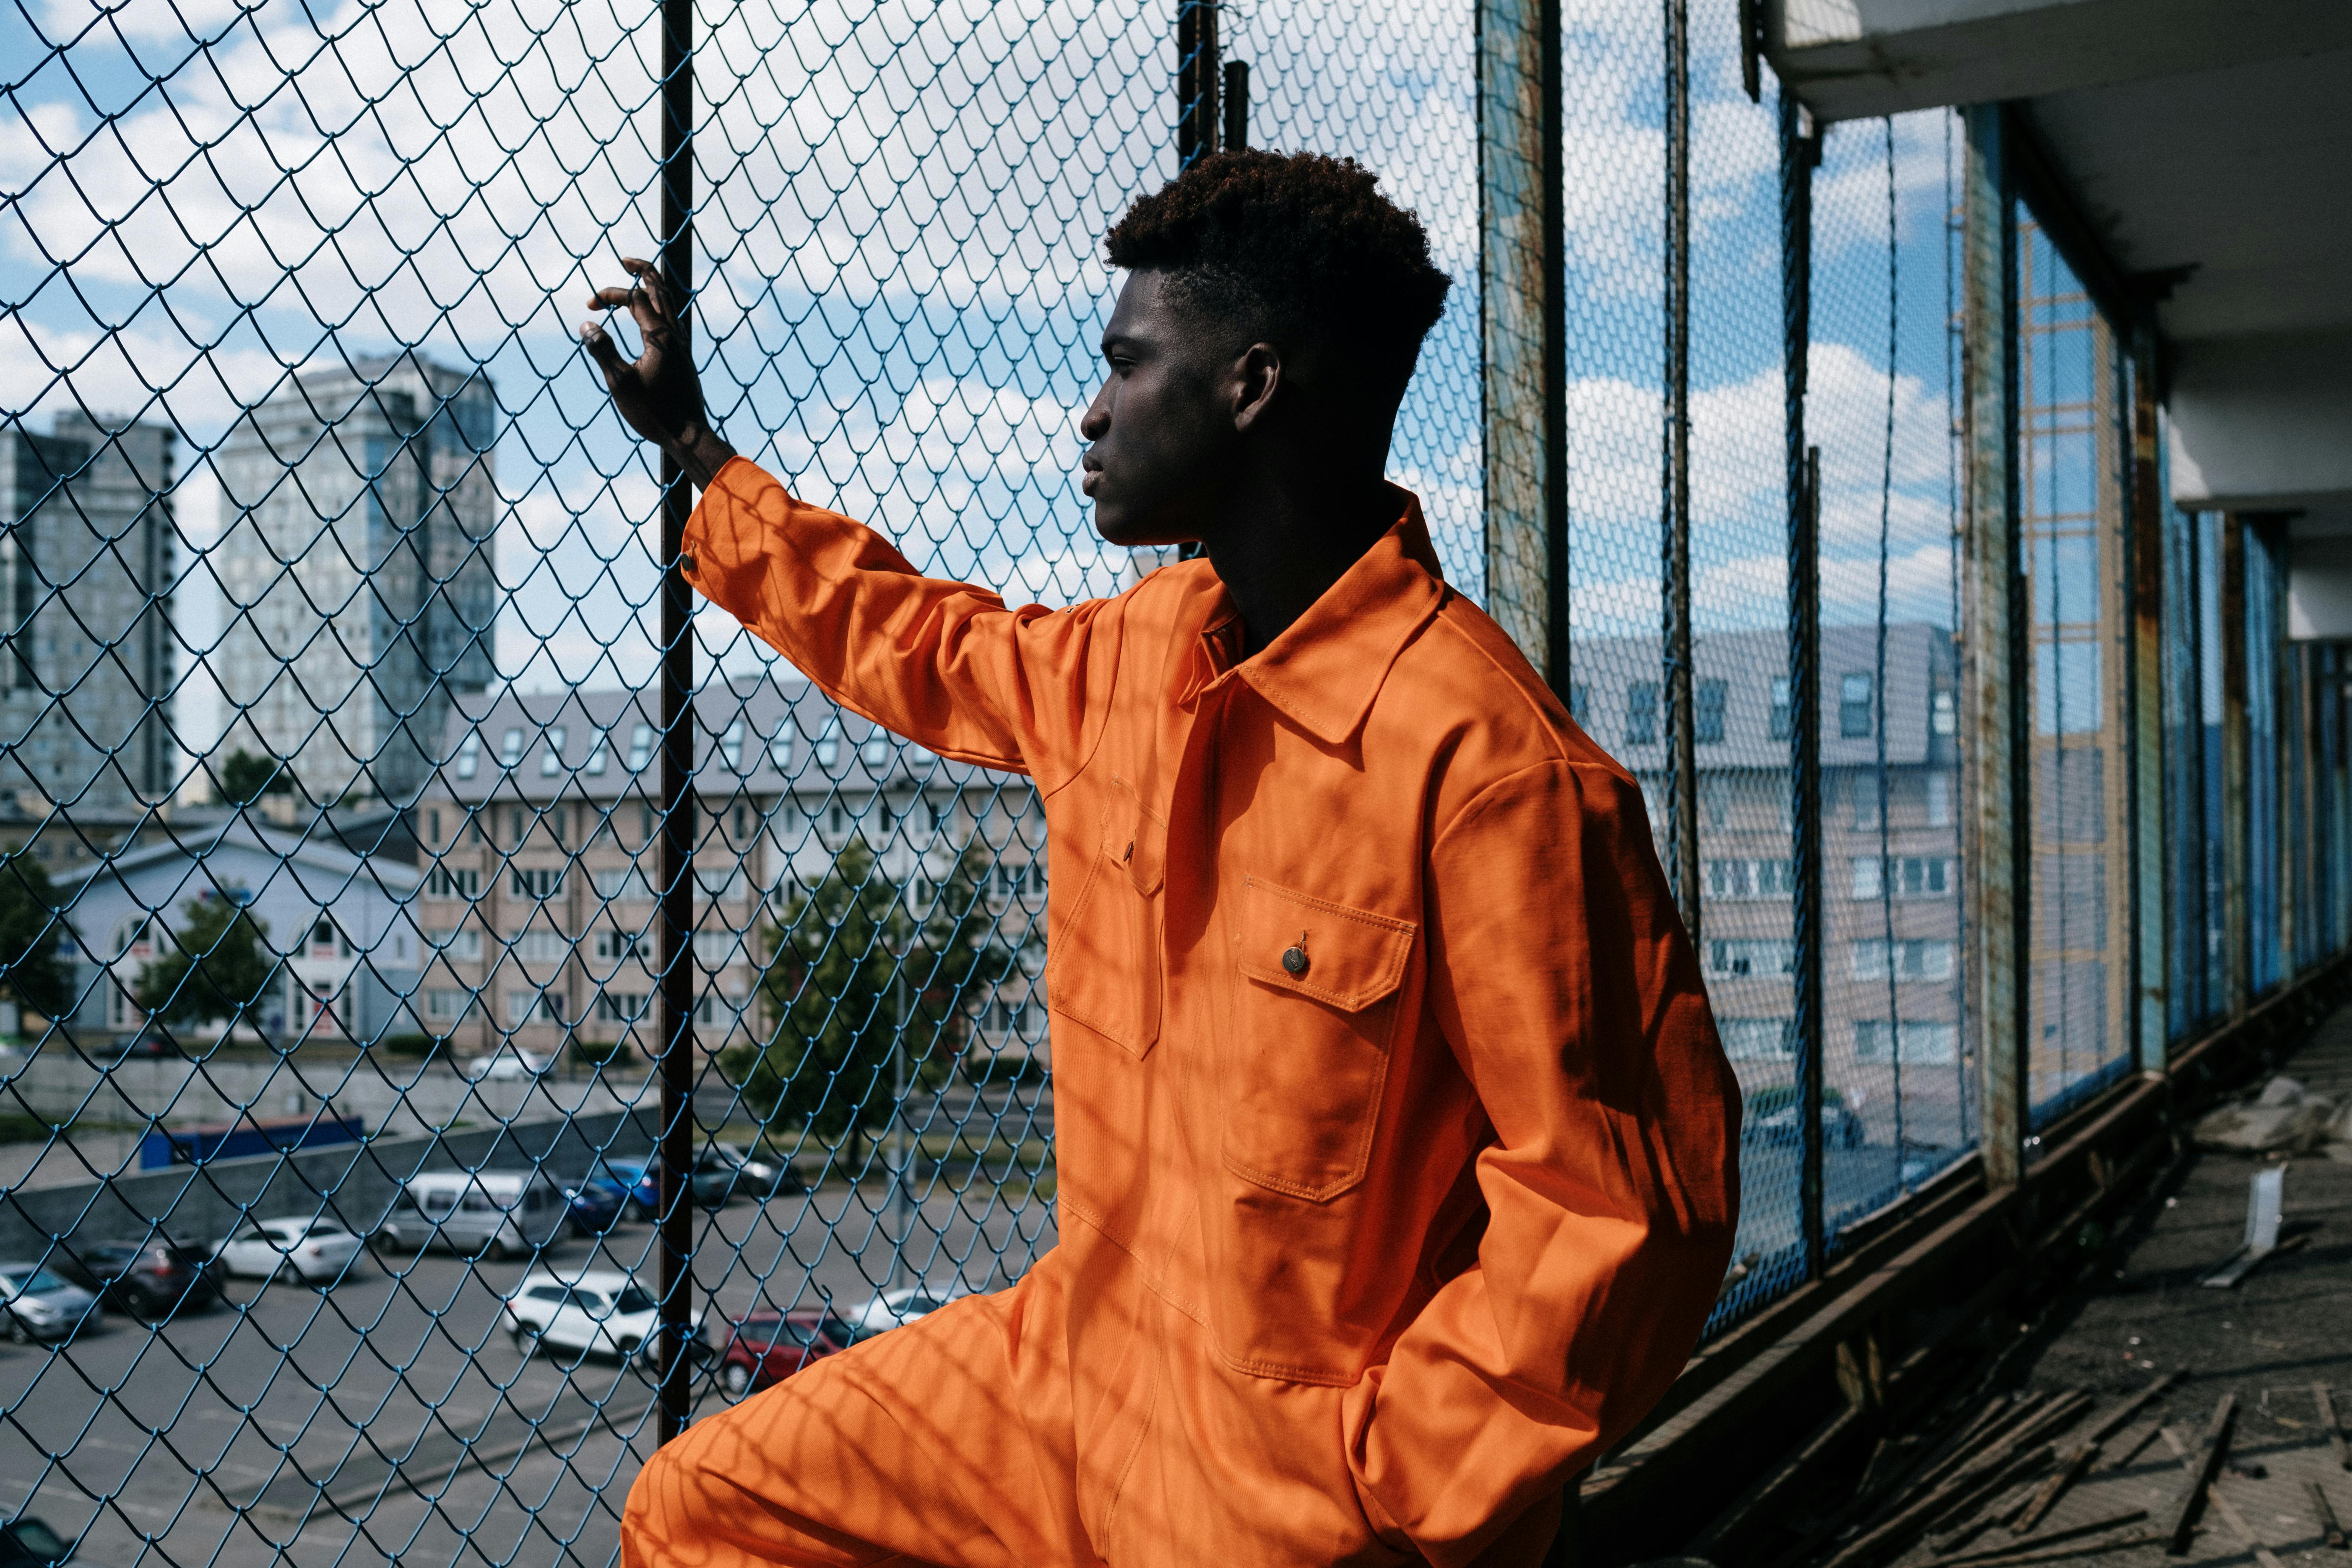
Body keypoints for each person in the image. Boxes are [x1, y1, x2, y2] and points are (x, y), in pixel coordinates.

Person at [585, 149, 1738, 1568]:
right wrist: (700, 458)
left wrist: (1385, 1482)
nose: (1092, 409)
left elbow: (1626, 1215)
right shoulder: (1137, 657)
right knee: (704, 1510)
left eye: (1127, 365)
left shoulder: (1494, 773)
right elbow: (924, 644)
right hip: (1072, 1375)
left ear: (1251, 387)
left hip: (1281, 1484)